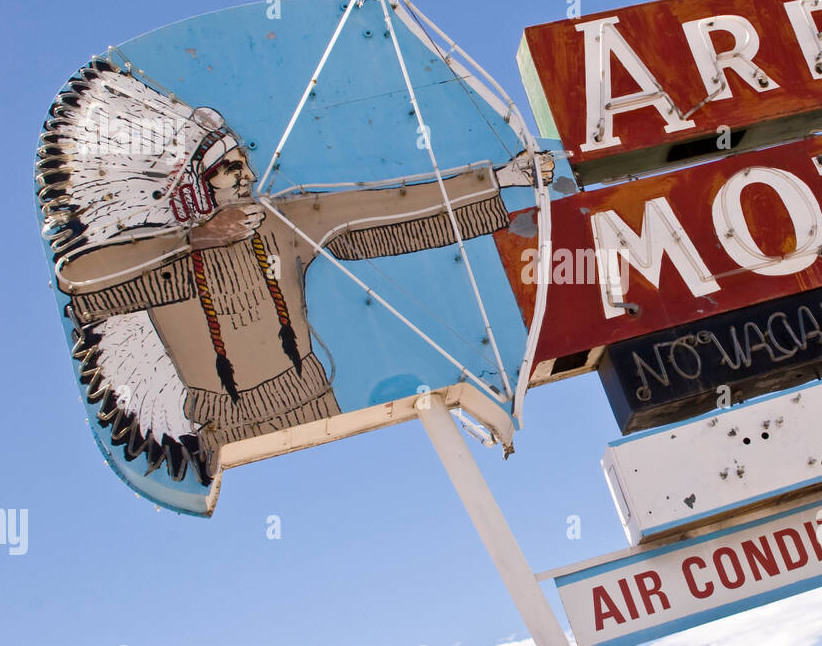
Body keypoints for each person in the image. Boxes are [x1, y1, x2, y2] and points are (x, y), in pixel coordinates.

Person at [41, 59, 546, 485]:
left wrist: (499, 178)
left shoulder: (283, 223)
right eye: (231, 168)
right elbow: (77, 276)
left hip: (314, 405)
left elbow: (389, 207)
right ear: (194, 185)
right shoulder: (165, 261)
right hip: (226, 432)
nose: (249, 175)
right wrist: (196, 237)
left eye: (245, 162)